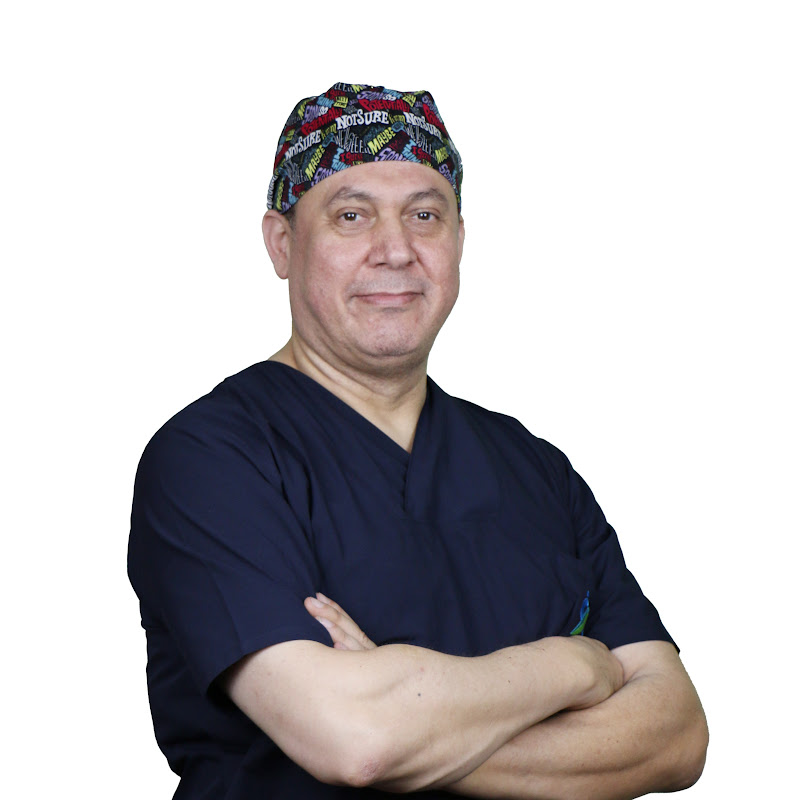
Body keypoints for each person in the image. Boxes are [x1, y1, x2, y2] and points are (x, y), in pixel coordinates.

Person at [128, 83, 708, 799]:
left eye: (425, 215)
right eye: (351, 216)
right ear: (282, 244)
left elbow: (677, 736)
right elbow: (355, 740)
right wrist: (574, 667)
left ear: (458, 240)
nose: (396, 250)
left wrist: (407, 711)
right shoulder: (213, 459)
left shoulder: (535, 469)